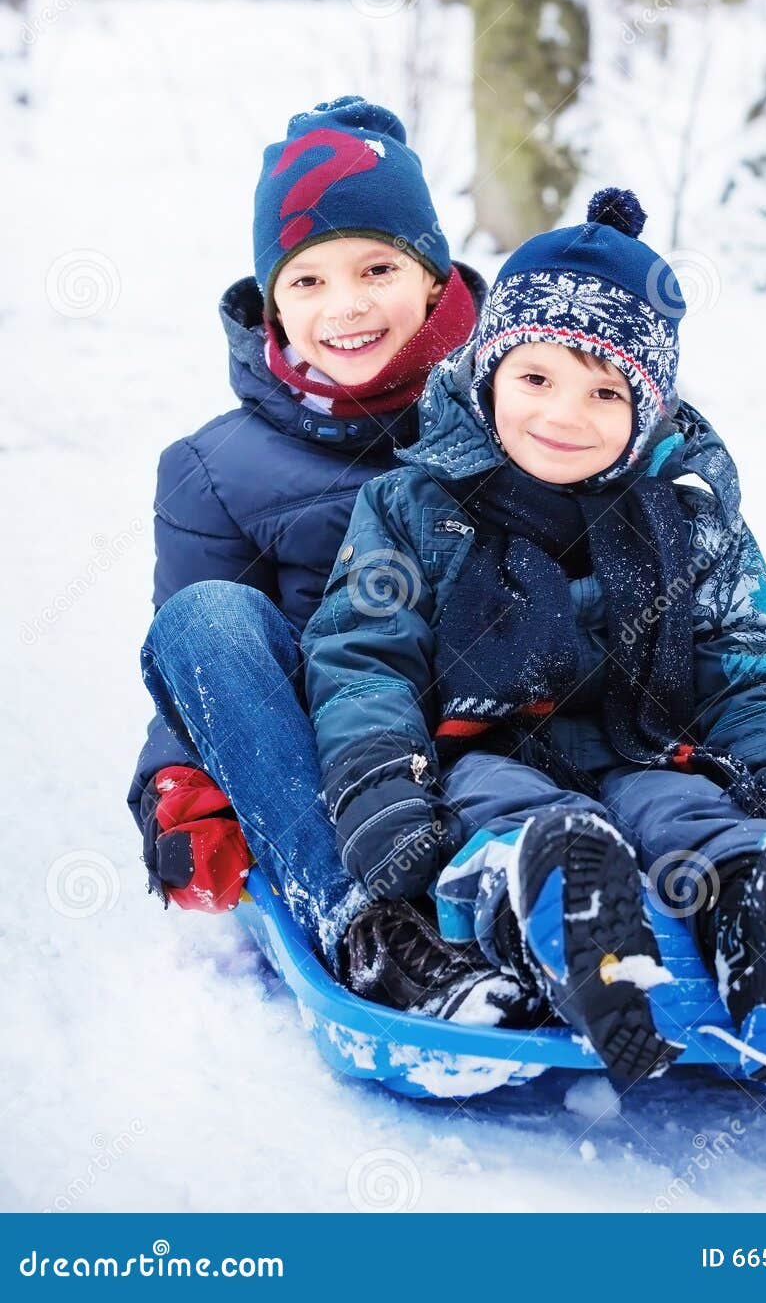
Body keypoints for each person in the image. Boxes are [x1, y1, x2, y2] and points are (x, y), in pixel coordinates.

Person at [302, 188, 766, 1089]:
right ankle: (563, 914)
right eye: (535, 379)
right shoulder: (412, 504)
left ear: (647, 409)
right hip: (480, 750)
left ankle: (765, 931)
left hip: (646, 748)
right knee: (512, 815)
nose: (565, 415)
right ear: (488, 373)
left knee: (692, 818)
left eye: (606, 391)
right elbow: (361, 659)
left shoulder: (685, 514)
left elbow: (747, 660)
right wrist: (382, 790)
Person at [130, 95, 543, 1020]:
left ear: (433, 277)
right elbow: (200, 669)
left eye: (377, 267)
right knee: (202, 617)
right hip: (333, 761)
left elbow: (657, 569)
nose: (345, 306)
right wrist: (175, 783)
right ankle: (376, 931)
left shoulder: (532, 406)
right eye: (306, 280)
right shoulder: (213, 470)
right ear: (270, 299)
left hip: (511, 735)